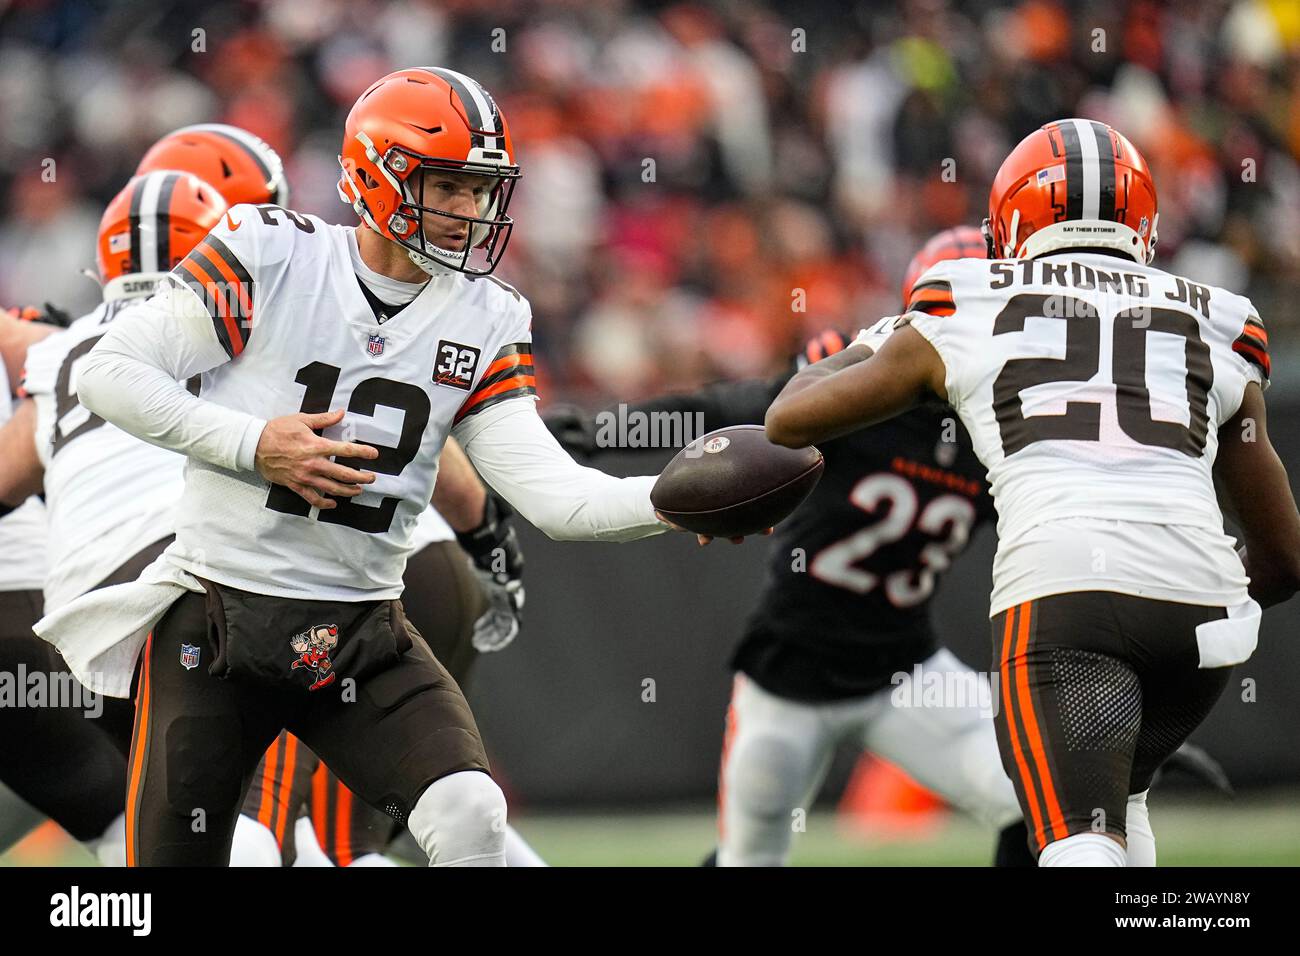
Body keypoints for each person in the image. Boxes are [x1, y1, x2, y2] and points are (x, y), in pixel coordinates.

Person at [36, 67, 742, 867]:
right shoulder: (271, 254)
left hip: (361, 631)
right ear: (378, 174)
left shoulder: (488, 315)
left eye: (481, 190)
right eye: (448, 185)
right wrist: (254, 444)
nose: (470, 211)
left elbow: (555, 497)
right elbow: (111, 372)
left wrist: (676, 500)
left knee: (472, 812)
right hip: (218, 623)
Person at [765, 118, 1300, 866]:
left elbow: (788, 418)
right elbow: (1283, 559)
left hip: (1065, 593)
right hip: (1207, 616)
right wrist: (1202, 589)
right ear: (1144, 219)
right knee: (1121, 819)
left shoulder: (968, 293)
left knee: (1077, 845)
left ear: (1009, 221)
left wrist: (879, 337)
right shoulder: (1222, 317)